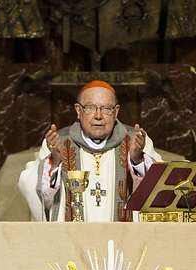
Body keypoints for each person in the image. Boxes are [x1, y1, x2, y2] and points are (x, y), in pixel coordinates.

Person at [17, 79, 159, 222]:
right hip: (71, 240)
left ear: (116, 112)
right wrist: (54, 162)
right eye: (90, 107)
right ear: (78, 111)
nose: (98, 115)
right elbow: (34, 190)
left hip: (123, 240)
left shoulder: (137, 142)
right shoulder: (57, 142)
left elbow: (157, 196)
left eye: (106, 109)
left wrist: (137, 161)